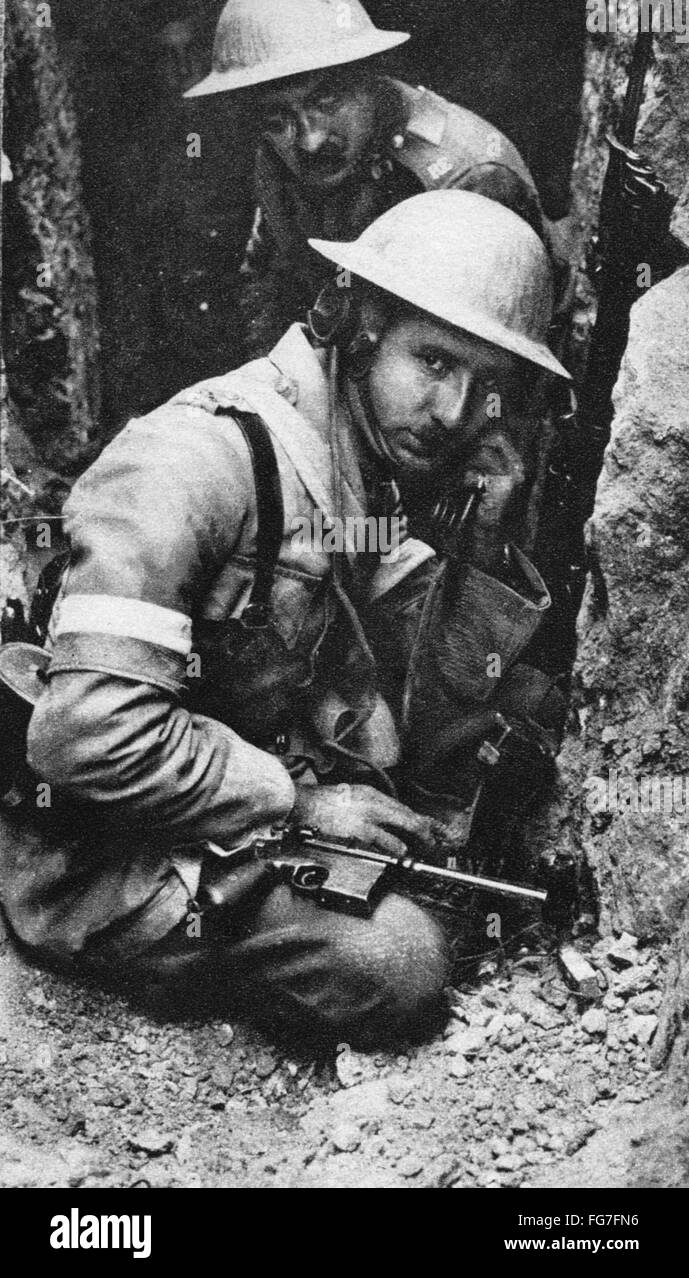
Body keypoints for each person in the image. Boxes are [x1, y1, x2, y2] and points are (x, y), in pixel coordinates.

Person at [0, 191, 570, 1048]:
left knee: (535, 712)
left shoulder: (362, 473)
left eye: (486, 385)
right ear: (361, 325)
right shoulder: (195, 461)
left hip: (231, 800)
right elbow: (82, 736)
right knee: (400, 963)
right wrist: (301, 803)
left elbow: (434, 726)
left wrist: (482, 554)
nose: (453, 414)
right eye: (434, 362)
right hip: (102, 850)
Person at [185, 0, 570, 358]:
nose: (310, 140)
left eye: (327, 100)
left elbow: (479, 362)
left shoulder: (467, 179)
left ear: (368, 76)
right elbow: (271, 282)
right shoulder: (278, 156)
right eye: (276, 118)